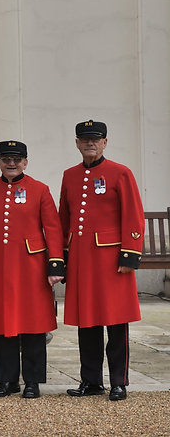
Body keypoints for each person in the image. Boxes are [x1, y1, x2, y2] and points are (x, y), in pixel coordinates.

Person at [0, 140, 65, 399]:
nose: (12, 163)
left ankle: (32, 381)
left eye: (17, 159)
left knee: (33, 325)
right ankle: (7, 380)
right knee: (2, 324)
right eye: (6, 159)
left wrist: (55, 263)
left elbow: (52, 229)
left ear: (26, 162)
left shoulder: (40, 190)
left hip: (31, 267)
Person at [58, 120, 144, 402]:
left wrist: (130, 254)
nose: (90, 144)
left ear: (105, 142)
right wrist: (63, 256)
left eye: (95, 139)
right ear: (77, 143)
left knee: (116, 323)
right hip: (83, 261)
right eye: (84, 140)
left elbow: (133, 214)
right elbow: (65, 219)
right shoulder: (69, 175)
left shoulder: (120, 173)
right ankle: (91, 381)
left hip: (111, 261)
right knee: (88, 323)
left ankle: (119, 382)